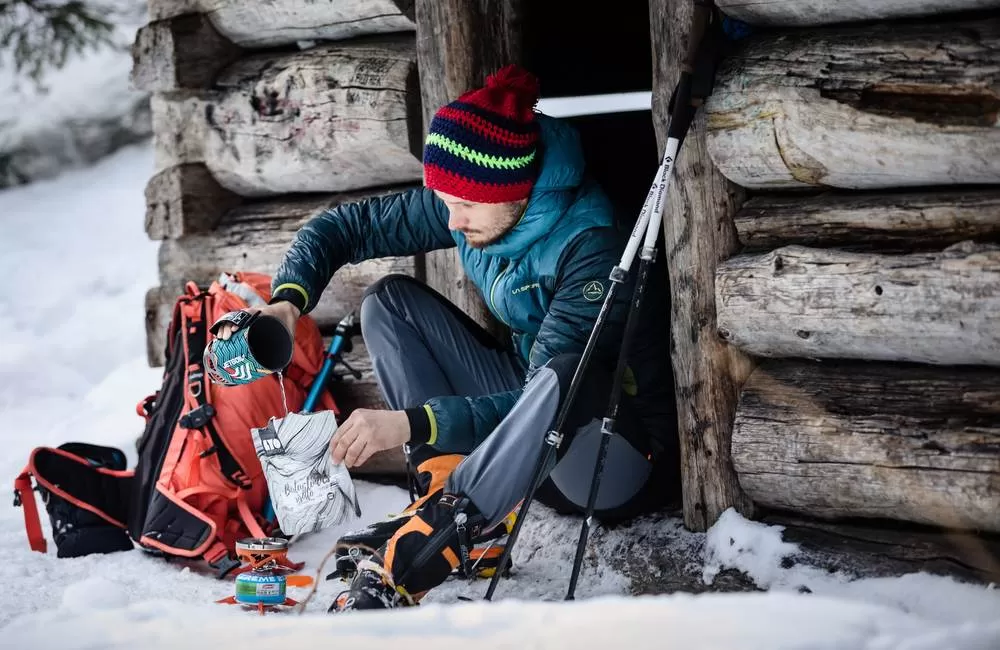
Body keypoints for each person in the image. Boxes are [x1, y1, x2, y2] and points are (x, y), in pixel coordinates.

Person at [216, 64, 679, 609]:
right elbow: (345, 227)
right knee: (390, 303)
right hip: (527, 435)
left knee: (558, 379)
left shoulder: (593, 246)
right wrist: (287, 303)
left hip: (611, 459)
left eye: (464, 205)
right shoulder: (481, 204)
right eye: (446, 203)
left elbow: (551, 397)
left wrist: (412, 423)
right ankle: (464, 520)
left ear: (513, 191)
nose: (452, 221)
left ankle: (433, 540)